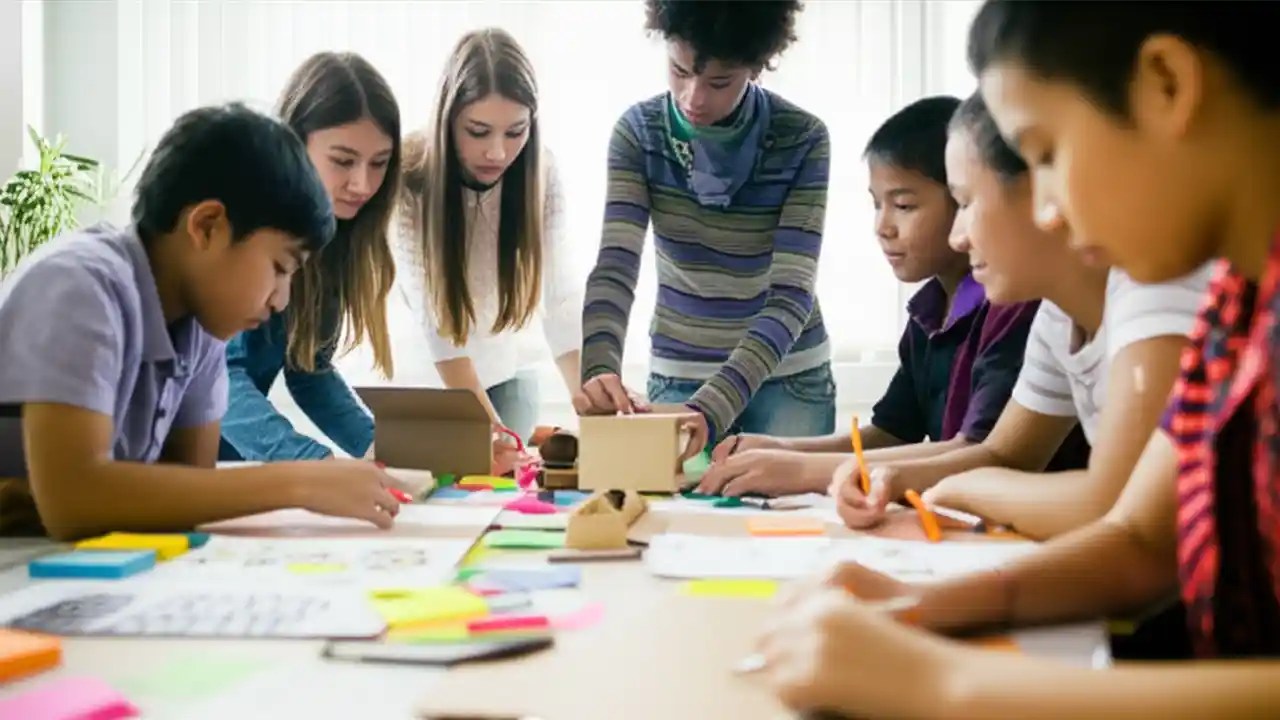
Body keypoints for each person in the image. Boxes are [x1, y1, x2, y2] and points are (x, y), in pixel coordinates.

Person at [756, 2, 1280, 717]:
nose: (1049, 209)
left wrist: (942, 684)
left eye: (1046, 155)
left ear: (1165, 85)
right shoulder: (1234, 301)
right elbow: (1137, 539)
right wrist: (919, 604)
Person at [0, 104, 403, 541]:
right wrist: (297, 482)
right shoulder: (79, 286)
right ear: (207, 226)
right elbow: (74, 503)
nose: (281, 298)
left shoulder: (200, 325)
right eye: (280, 266)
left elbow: (186, 491)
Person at [830, 91, 1212, 540]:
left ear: (1042, 189)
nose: (958, 237)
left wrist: (958, 489)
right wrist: (900, 479)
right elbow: (1004, 454)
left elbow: (1113, 504)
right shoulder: (1056, 316)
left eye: (966, 203)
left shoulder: (1153, 292)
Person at [700, 95, 1044, 498]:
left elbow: (981, 453)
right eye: (876, 204)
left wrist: (804, 469)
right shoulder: (927, 313)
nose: (883, 226)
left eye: (903, 205)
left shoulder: (1015, 306)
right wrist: (781, 448)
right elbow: (894, 432)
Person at [577, 0, 832, 461]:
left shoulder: (803, 138)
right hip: (679, 372)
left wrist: (712, 406)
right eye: (679, 70)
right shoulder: (639, 135)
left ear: (756, 67)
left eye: (719, 82)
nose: (694, 97)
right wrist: (598, 367)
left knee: (791, 526)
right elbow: (615, 268)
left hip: (789, 379)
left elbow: (792, 294)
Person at [396, 28, 580, 448]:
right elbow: (434, 319)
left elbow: (562, 297)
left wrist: (590, 401)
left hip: (503, 374)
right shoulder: (408, 176)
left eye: (515, 132)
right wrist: (489, 428)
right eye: (478, 132)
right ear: (447, 121)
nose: (497, 152)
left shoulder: (542, 172)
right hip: (425, 384)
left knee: (507, 484)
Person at [220, 52, 400, 462]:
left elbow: (309, 368)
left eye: (379, 164)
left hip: (229, 466)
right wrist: (311, 463)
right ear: (294, 143)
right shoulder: (244, 228)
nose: (363, 183)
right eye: (343, 161)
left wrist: (380, 450)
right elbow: (218, 377)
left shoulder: (335, 238)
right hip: (162, 461)